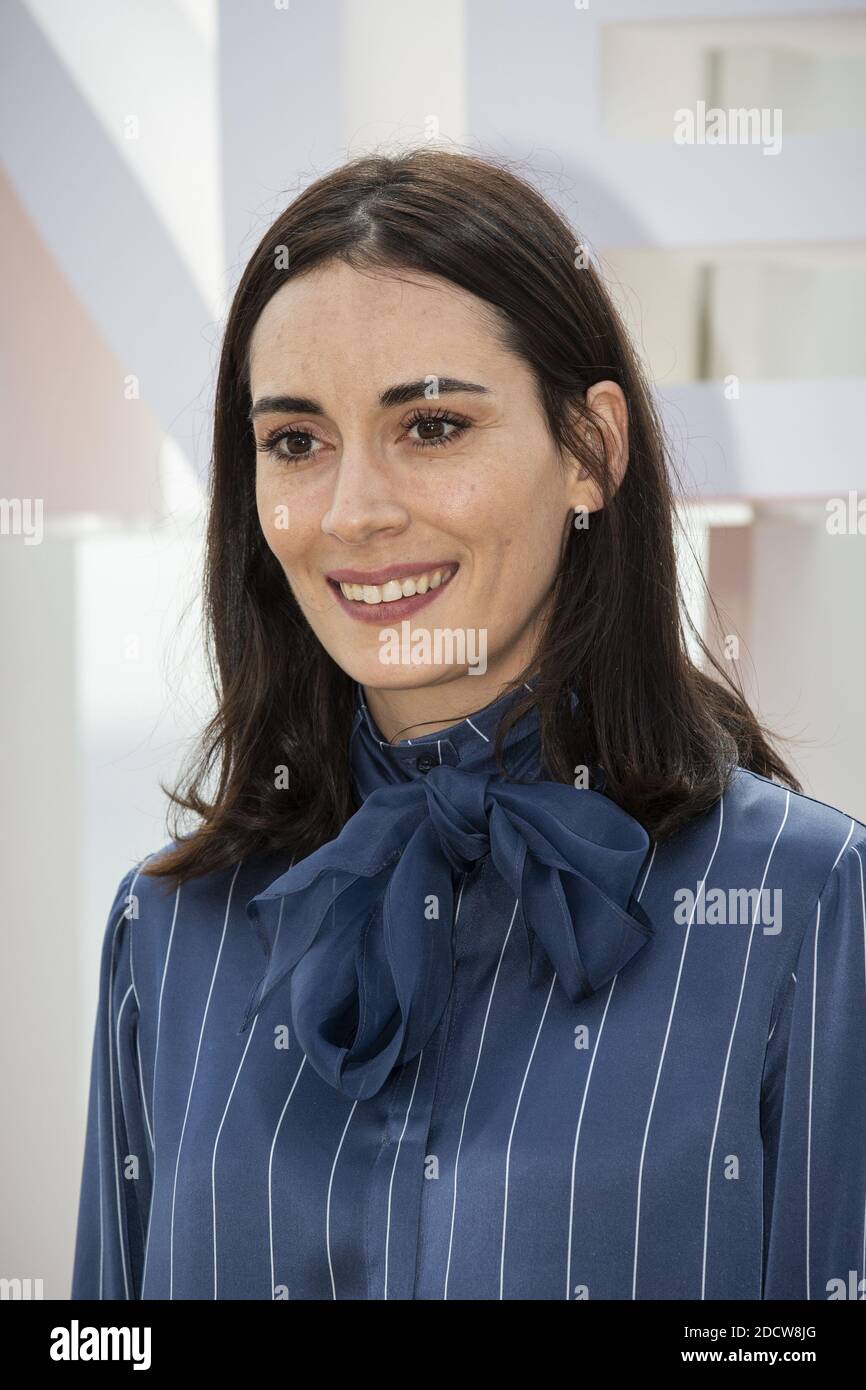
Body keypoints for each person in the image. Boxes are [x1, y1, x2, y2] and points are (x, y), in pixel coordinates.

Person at [71, 148, 866, 1301]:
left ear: (590, 449)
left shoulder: (804, 905)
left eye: (431, 426)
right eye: (296, 442)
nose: (353, 513)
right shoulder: (166, 929)